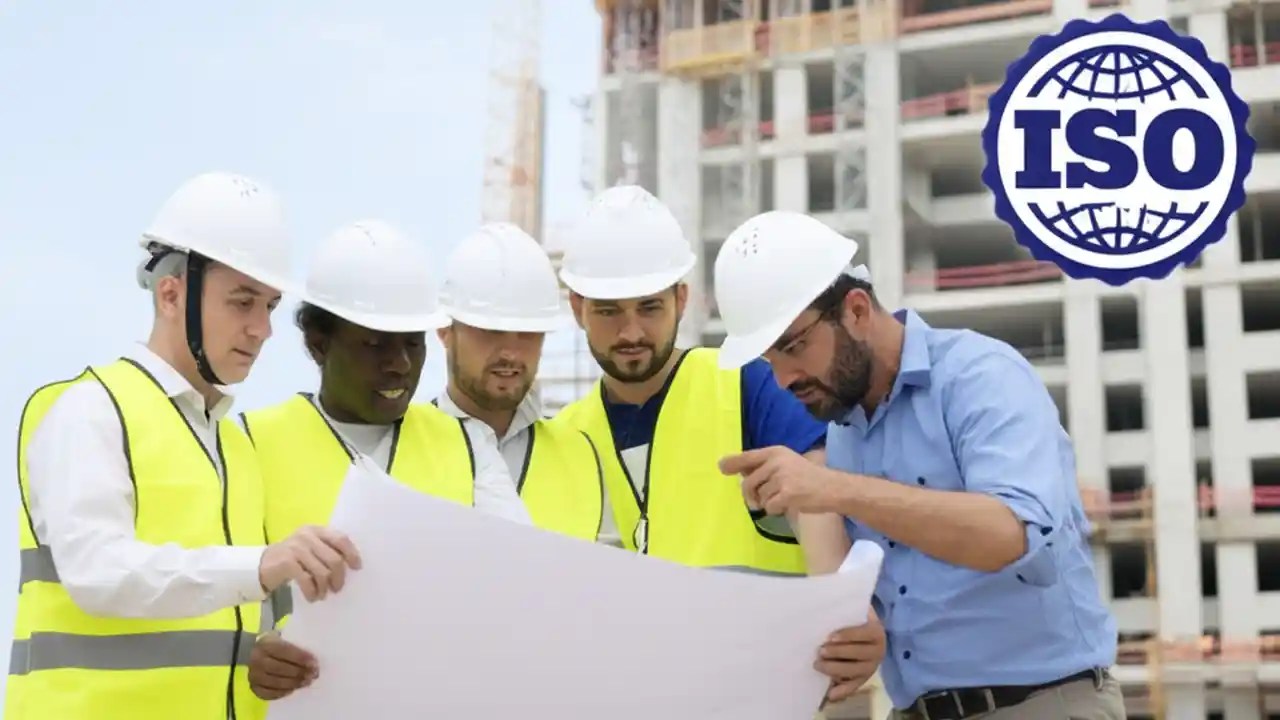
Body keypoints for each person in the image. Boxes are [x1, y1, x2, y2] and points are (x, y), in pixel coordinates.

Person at [711, 210, 1124, 720]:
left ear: (857, 311)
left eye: (794, 347)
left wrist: (835, 489)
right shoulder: (843, 431)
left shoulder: (980, 377)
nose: (784, 379)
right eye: (770, 361)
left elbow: (1011, 535)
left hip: (1043, 704)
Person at [6, 172, 362, 720]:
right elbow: (98, 573)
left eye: (269, 306)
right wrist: (264, 565)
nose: (262, 330)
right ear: (171, 295)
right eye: (242, 303)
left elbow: (223, 608)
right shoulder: (92, 409)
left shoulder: (233, 446)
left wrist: (266, 647)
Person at [555, 185, 885, 704]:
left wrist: (842, 613)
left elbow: (814, 500)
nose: (631, 331)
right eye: (608, 312)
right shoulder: (564, 437)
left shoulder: (747, 382)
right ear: (577, 308)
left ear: (681, 300)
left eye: (649, 307)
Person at [239, 219, 532, 700]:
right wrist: (248, 651)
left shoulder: (467, 445)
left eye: (412, 343)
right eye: (374, 344)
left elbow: (520, 580)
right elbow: (220, 596)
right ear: (318, 342)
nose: (399, 363)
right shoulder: (249, 444)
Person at [434, 222, 609, 543]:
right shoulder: (398, 444)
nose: (511, 352)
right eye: (491, 331)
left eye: (528, 332)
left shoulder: (586, 456)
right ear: (445, 330)